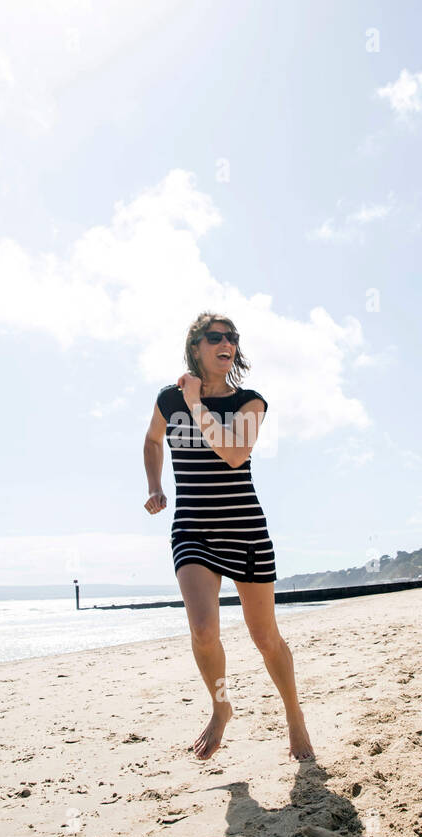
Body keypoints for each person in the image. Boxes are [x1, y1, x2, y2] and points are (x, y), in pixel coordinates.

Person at [143, 312, 315, 760]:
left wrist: (197, 403)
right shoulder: (168, 400)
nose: (227, 343)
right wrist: (155, 485)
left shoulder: (250, 402)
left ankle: (294, 717)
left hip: (244, 528)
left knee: (265, 638)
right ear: (195, 347)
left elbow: (235, 454)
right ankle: (221, 708)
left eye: (232, 338)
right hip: (193, 527)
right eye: (215, 337)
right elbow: (153, 441)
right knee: (203, 630)